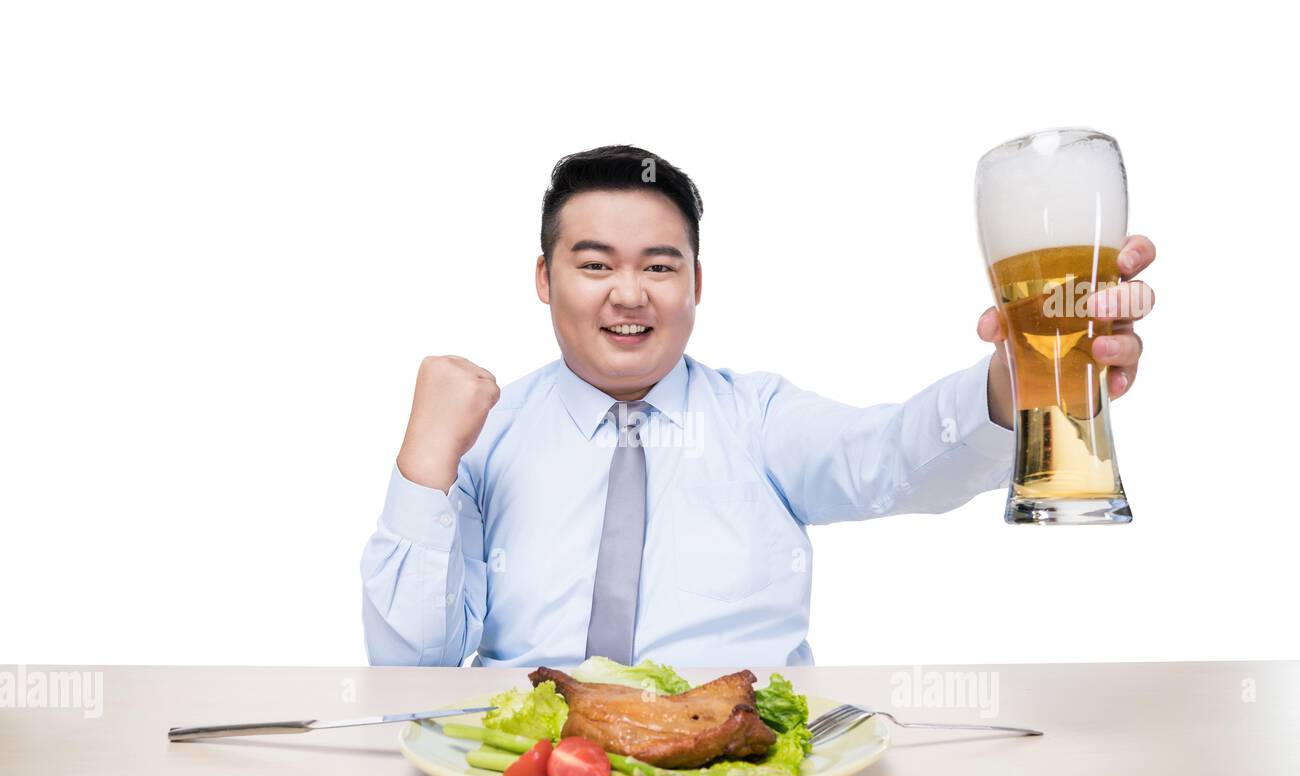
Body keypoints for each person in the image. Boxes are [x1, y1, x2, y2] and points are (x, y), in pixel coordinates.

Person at [360, 145, 1156, 668]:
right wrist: (423, 464)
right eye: (595, 263)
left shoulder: (757, 419)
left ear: (697, 285)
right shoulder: (482, 433)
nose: (629, 294)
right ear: (544, 278)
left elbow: (883, 458)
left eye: (660, 266)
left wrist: (1015, 379)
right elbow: (409, 675)